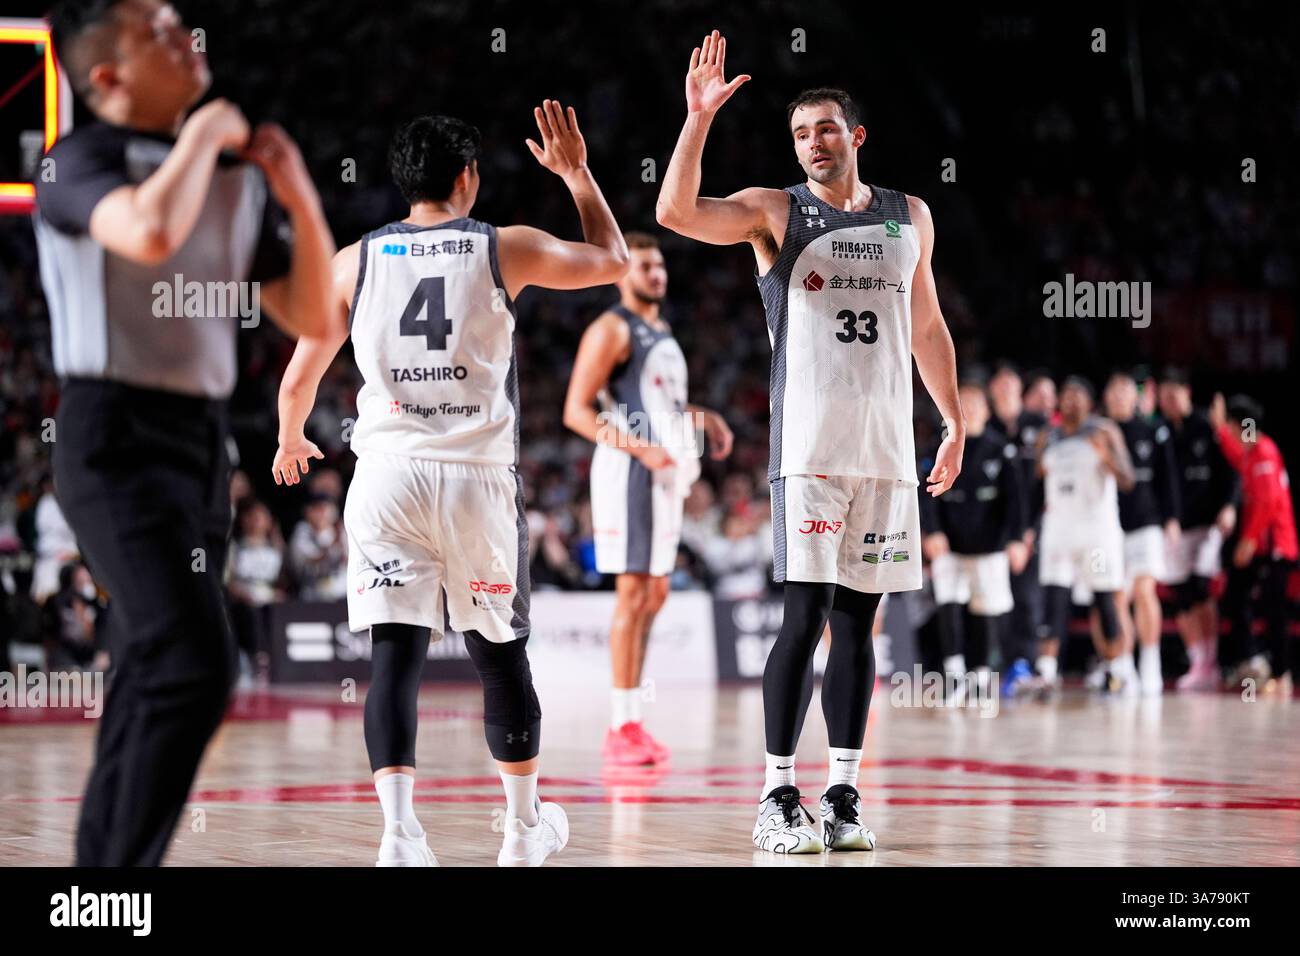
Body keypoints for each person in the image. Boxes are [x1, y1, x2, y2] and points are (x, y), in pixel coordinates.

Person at [272, 104, 629, 866]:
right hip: (475, 479)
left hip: (386, 477)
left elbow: (299, 377)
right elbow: (614, 260)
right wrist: (576, 173)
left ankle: (401, 837)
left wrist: (291, 435)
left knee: (394, 660)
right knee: (499, 656)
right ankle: (523, 830)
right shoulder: (505, 248)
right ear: (467, 177)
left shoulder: (351, 261)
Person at [36, 0, 333, 866]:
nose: (184, 36)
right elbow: (149, 230)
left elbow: (312, 311)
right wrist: (207, 138)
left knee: (145, 667)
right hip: (112, 433)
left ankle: (97, 892)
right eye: (156, 32)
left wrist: (295, 187)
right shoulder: (75, 159)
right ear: (107, 78)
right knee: (194, 661)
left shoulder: (234, 173)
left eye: (180, 22)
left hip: (201, 444)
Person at [656, 31, 964, 852]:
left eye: (826, 128)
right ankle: (775, 795)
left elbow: (926, 325)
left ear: (856, 136)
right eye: (800, 133)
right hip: (810, 454)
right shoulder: (777, 210)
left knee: (860, 630)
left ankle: (846, 793)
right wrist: (697, 120)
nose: (813, 143)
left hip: (889, 455)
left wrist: (954, 421)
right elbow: (675, 213)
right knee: (804, 621)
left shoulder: (911, 216)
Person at [563, 231, 732, 766]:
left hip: (663, 473)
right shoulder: (612, 328)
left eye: (659, 265)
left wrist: (707, 420)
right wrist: (641, 450)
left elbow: (666, 408)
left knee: (655, 595)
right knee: (634, 595)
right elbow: (577, 411)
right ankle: (620, 726)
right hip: (633, 472)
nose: (655, 273)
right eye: (643, 266)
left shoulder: (661, 330)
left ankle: (633, 719)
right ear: (621, 275)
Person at [921, 378, 1025, 704]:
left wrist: (1016, 539)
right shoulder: (938, 447)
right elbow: (926, 495)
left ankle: (980, 676)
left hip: (989, 547)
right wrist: (931, 531)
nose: (970, 411)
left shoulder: (1002, 450)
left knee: (986, 610)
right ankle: (954, 674)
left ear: (987, 410)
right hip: (950, 546)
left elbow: (1017, 501)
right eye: (962, 405)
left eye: (976, 405)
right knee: (948, 604)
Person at [1033, 378, 1135, 696]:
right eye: (1067, 396)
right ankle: (1047, 673)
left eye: (1079, 396)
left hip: (1096, 531)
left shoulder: (1104, 432)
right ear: (1060, 403)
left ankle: (1116, 669)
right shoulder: (1047, 437)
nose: (1072, 402)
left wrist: (1107, 459)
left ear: (1089, 403)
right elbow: (1037, 478)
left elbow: (1129, 479)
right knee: (1054, 600)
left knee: (1105, 600)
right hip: (1059, 529)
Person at [1156, 368, 1237, 691]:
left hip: (1209, 524)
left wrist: (1229, 506)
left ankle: (1211, 660)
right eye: (1164, 397)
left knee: (1202, 589)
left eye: (1174, 395)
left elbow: (1234, 467)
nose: (1170, 402)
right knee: (1183, 596)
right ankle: (1197, 661)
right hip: (1177, 527)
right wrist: (1167, 519)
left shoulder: (1208, 427)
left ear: (1187, 393)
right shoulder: (1161, 433)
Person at [1211, 394, 1298, 690]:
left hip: (1275, 545)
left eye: (1233, 427)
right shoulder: (1250, 454)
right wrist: (1220, 429)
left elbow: (1267, 501)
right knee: (1237, 598)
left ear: (1241, 425)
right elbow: (1236, 455)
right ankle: (1253, 660)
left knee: (1275, 609)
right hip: (1262, 546)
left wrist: (1247, 542)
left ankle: (1281, 673)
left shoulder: (1264, 452)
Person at [1102, 370, 1180, 695]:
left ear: (1136, 396)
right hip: (1109, 526)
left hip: (1147, 522)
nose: (1120, 395)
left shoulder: (1154, 430)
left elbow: (1169, 477)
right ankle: (1124, 665)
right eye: (1114, 389)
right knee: (1118, 596)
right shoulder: (1100, 433)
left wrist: (1172, 518)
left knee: (1145, 590)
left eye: (1125, 389)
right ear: (1106, 397)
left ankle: (1151, 662)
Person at [988, 362, 1047, 692]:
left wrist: (1029, 531)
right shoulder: (986, 426)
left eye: (1012, 384)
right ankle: (998, 663)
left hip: (1030, 532)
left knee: (1027, 596)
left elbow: (1042, 486)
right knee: (996, 599)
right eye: (1001, 385)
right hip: (995, 533)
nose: (1006, 390)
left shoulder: (1038, 428)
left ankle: (1026, 663)